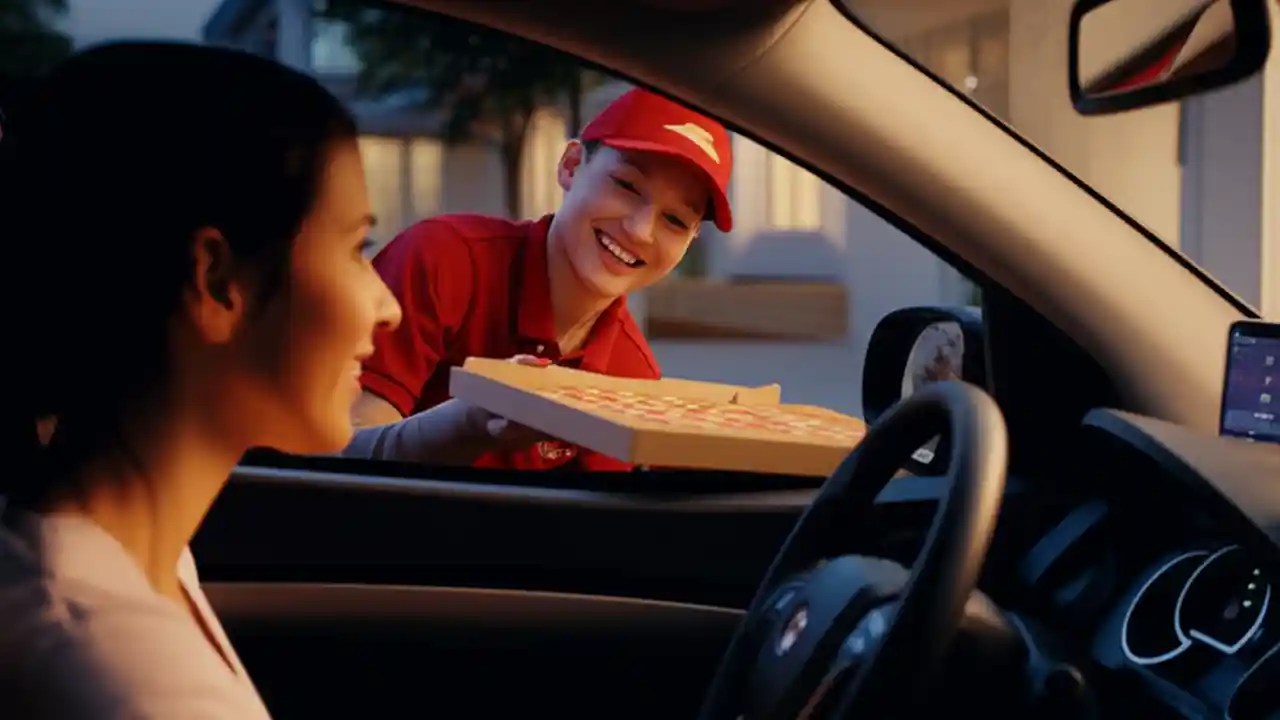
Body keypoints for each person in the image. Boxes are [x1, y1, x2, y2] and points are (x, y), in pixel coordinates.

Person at [0, 41, 400, 717]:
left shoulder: (119, 560)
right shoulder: (130, 687)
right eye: (357, 248)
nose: (388, 306)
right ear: (217, 279)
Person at [347, 87, 734, 471]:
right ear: (571, 165)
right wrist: (470, 420)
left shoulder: (632, 372)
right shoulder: (442, 259)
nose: (640, 230)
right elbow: (340, 456)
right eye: (627, 186)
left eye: (675, 221)